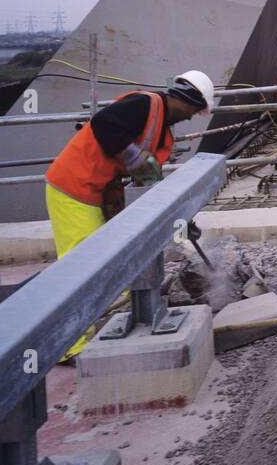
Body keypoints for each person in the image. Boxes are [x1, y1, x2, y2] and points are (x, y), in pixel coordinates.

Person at [44, 69, 215, 359]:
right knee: (81, 267)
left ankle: (110, 319)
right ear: (185, 99)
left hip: (97, 193)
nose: (190, 117)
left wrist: (182, 218)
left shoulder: (163, 133)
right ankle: (68, 348)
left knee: (111, 262)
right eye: (194, 110)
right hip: (73, 186)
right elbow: (104, 123)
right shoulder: (145, 104)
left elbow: (151, 185)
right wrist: (133, 157)